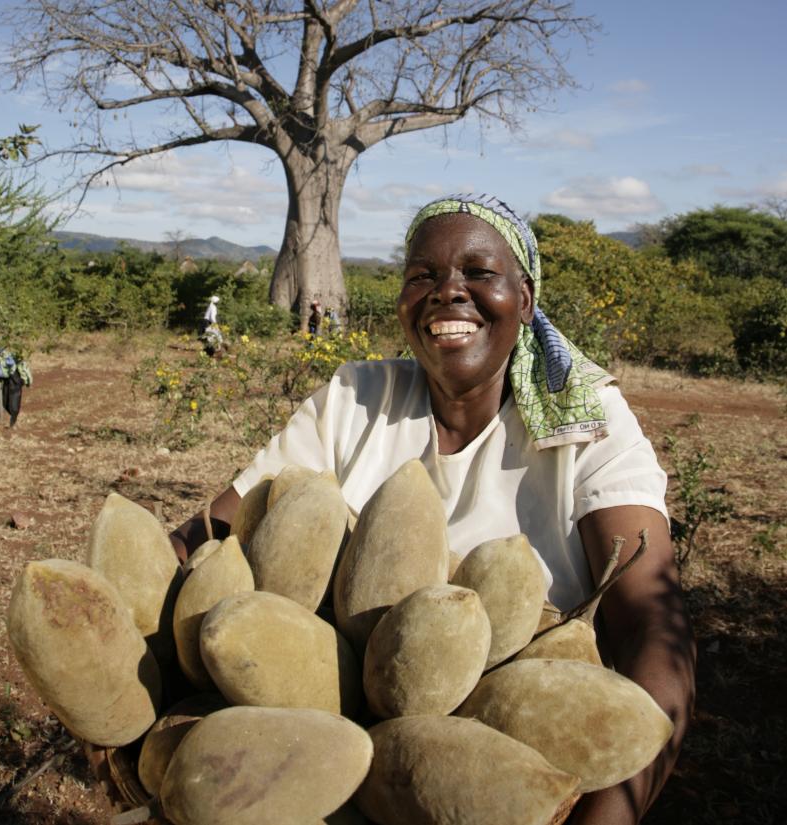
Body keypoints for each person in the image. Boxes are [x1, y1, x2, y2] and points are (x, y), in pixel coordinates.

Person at [170, 194, 695, 824]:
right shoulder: (355, 397)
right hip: (328, 757)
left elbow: (653, 631)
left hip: (501, 779)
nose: (447, 291)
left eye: (479, 272)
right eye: (423, 275)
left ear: (525, 299)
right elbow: (210, 535)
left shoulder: (587, 421)